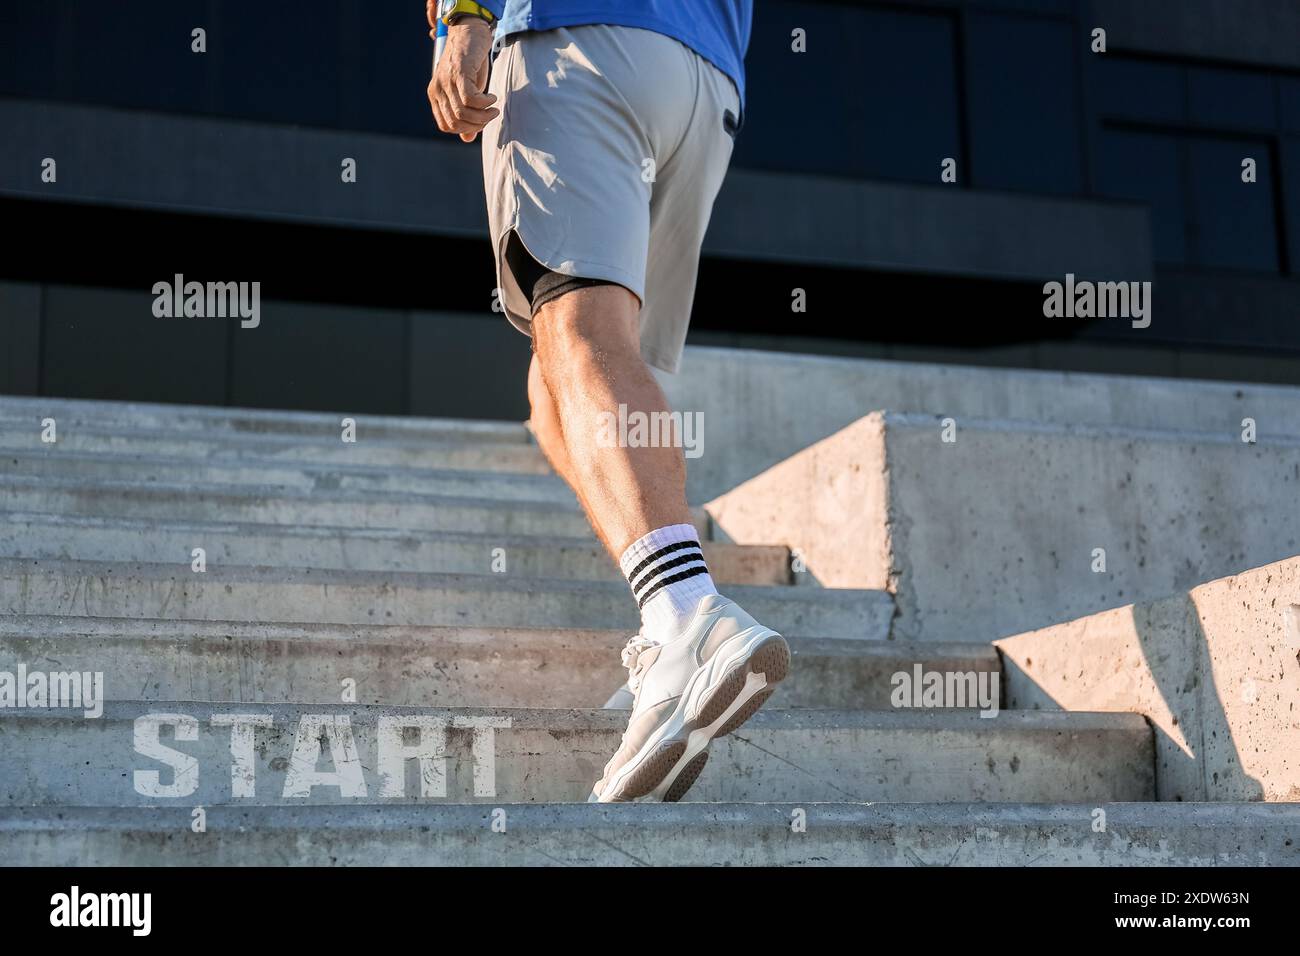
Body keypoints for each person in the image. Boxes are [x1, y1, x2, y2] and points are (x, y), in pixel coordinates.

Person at [427, 0, 789, 802]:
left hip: (577, 39)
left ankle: (687, 615)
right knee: (559, 377)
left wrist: (466, 18)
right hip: (706, 80)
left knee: (579, 330)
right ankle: (670, 636)